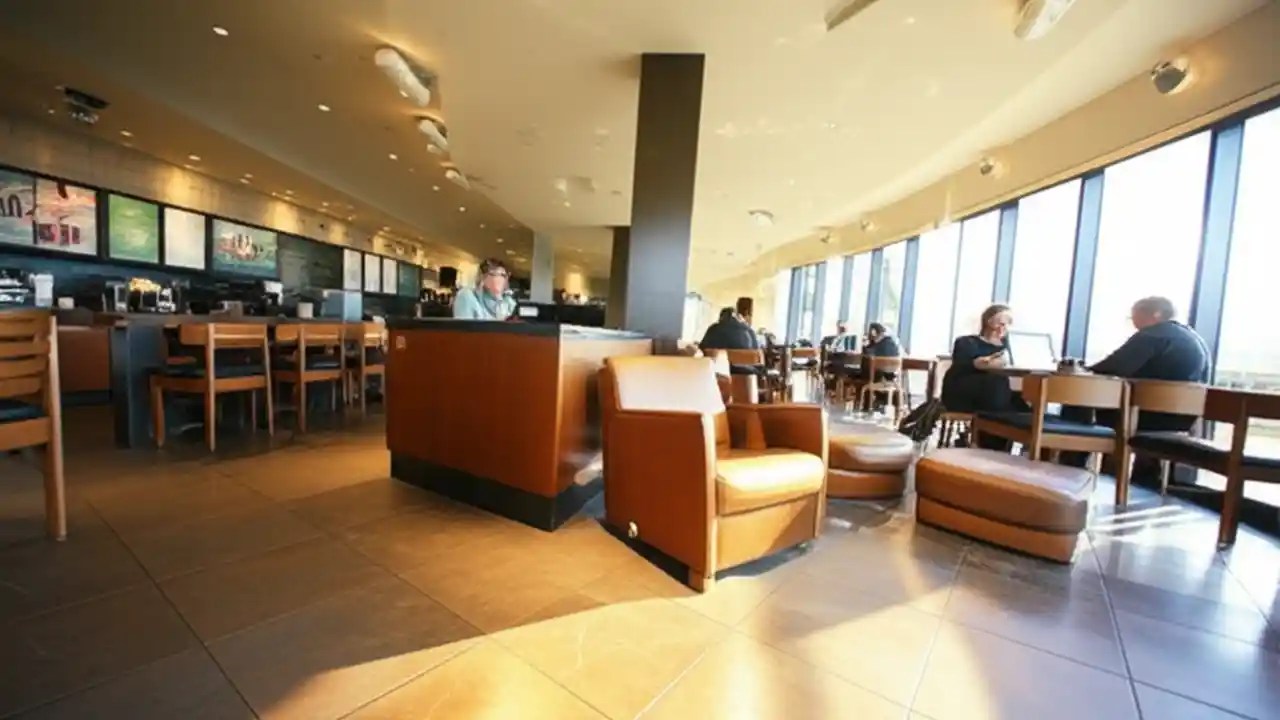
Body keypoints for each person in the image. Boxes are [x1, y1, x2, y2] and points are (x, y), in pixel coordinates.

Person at [941, 304, 1026, 449]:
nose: (1004, 327)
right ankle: (991, 446)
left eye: (1008, 323)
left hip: (997, 394)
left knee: (1025, 403)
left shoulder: (1010, 349)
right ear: (988, 321)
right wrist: (989, 362)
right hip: (963, 393)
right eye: (1001, 322)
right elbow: (972, 364)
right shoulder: (967, 342)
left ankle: (1036, 448)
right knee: (997, 385)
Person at [452, 258, 517, 320]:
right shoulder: (467, 296)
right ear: (484, 277)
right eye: (499, 275)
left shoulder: (507, 301)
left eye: (504, 275)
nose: (502, 280)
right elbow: (465, 326)